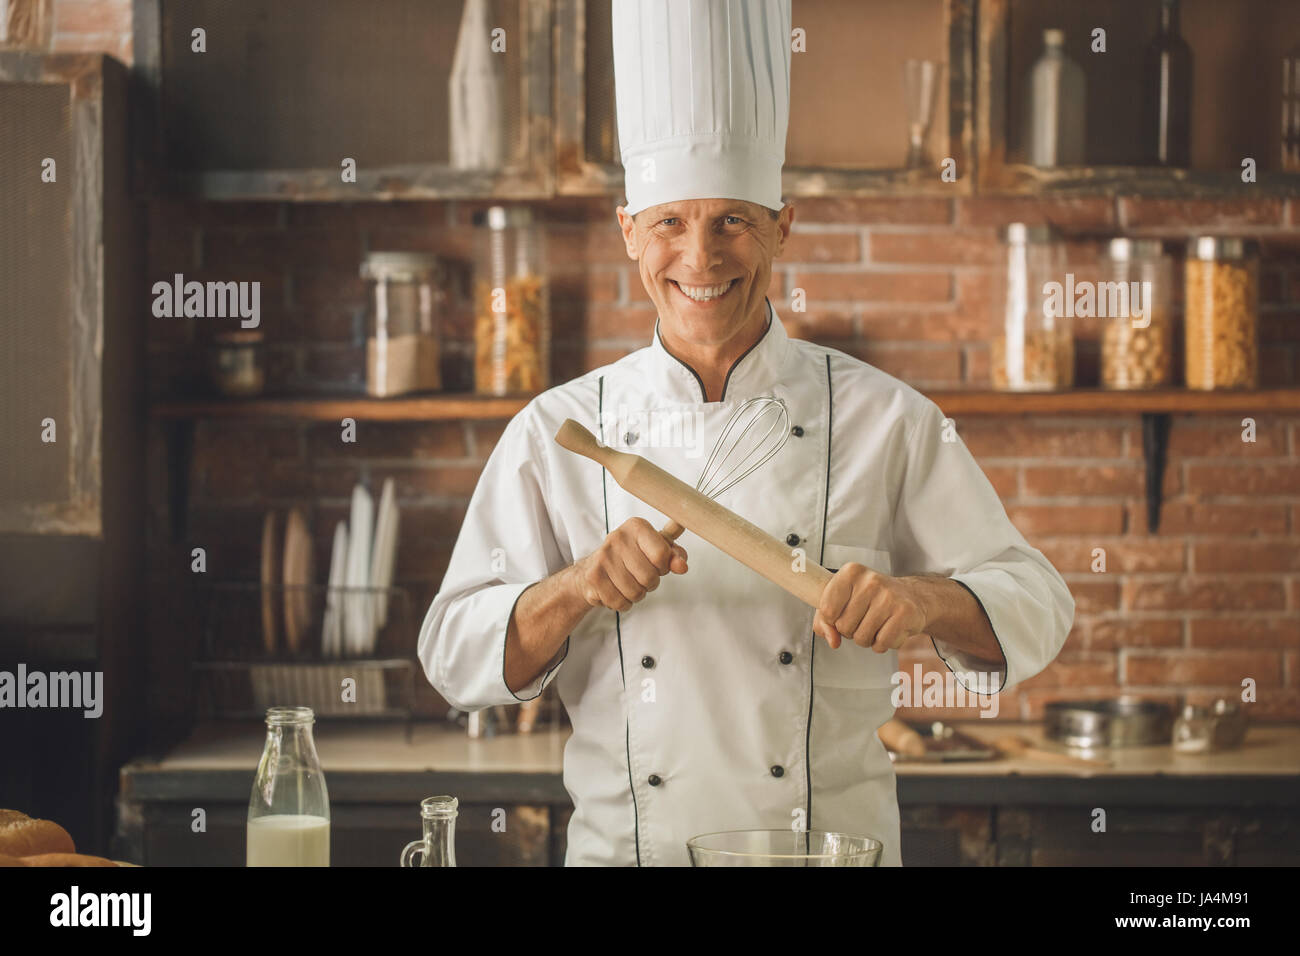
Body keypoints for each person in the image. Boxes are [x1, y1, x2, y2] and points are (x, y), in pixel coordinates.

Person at [419, 0, 1074, 866]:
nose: (701, 257)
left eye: (733, 218)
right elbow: (453, 653)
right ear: (628, 233)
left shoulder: (886, 419)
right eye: (669, 224)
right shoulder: (559, 432)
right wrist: (576, 587)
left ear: (782, 226)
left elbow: (1038, 603)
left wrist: (920, 601)